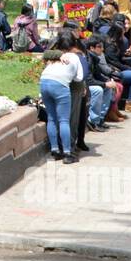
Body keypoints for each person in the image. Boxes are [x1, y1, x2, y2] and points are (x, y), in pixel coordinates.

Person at [39, 32, 83, 164]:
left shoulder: (54, 55)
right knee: (64, 120)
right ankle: (68, 153)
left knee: (52, 118)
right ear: (73, 45)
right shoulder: (75, 57)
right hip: (60, 85)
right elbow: (79, 78)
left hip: (44, 82)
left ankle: (55, 150)